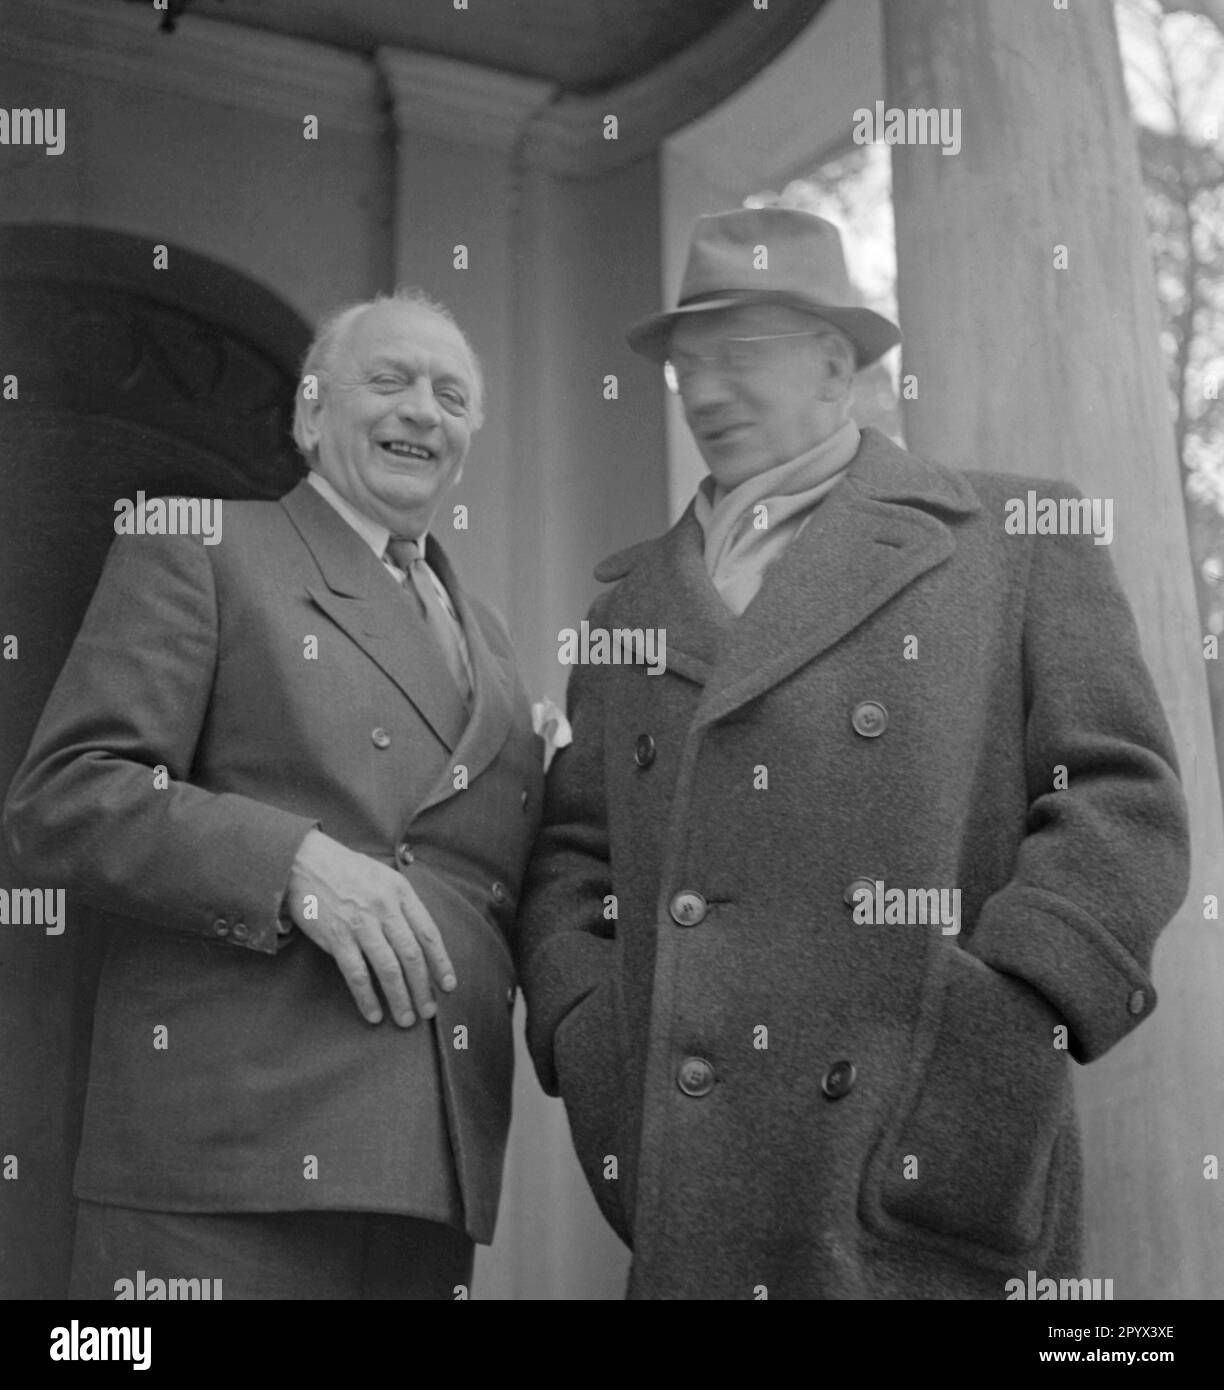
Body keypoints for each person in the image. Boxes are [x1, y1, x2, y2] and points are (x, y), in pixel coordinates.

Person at [513, 207, 1190, 1300]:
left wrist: (1001, 1026)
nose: (708, 391)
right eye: (690, 364)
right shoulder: (631, 603)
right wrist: (593, 1039)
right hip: (696, 1187)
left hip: (928, 1163)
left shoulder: (1014, 536)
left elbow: (1122, 797)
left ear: (835, 359)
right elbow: (573, 858)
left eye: (742, 357)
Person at [4, 287, 544, 1299]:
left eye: (451, 395)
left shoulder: (497, 648)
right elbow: (65, 800)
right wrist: (290, 861)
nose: (423, 409)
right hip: (223, 1166)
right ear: (309, 414)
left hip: (429, 1174)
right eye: (388, 380)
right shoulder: (202, 543)